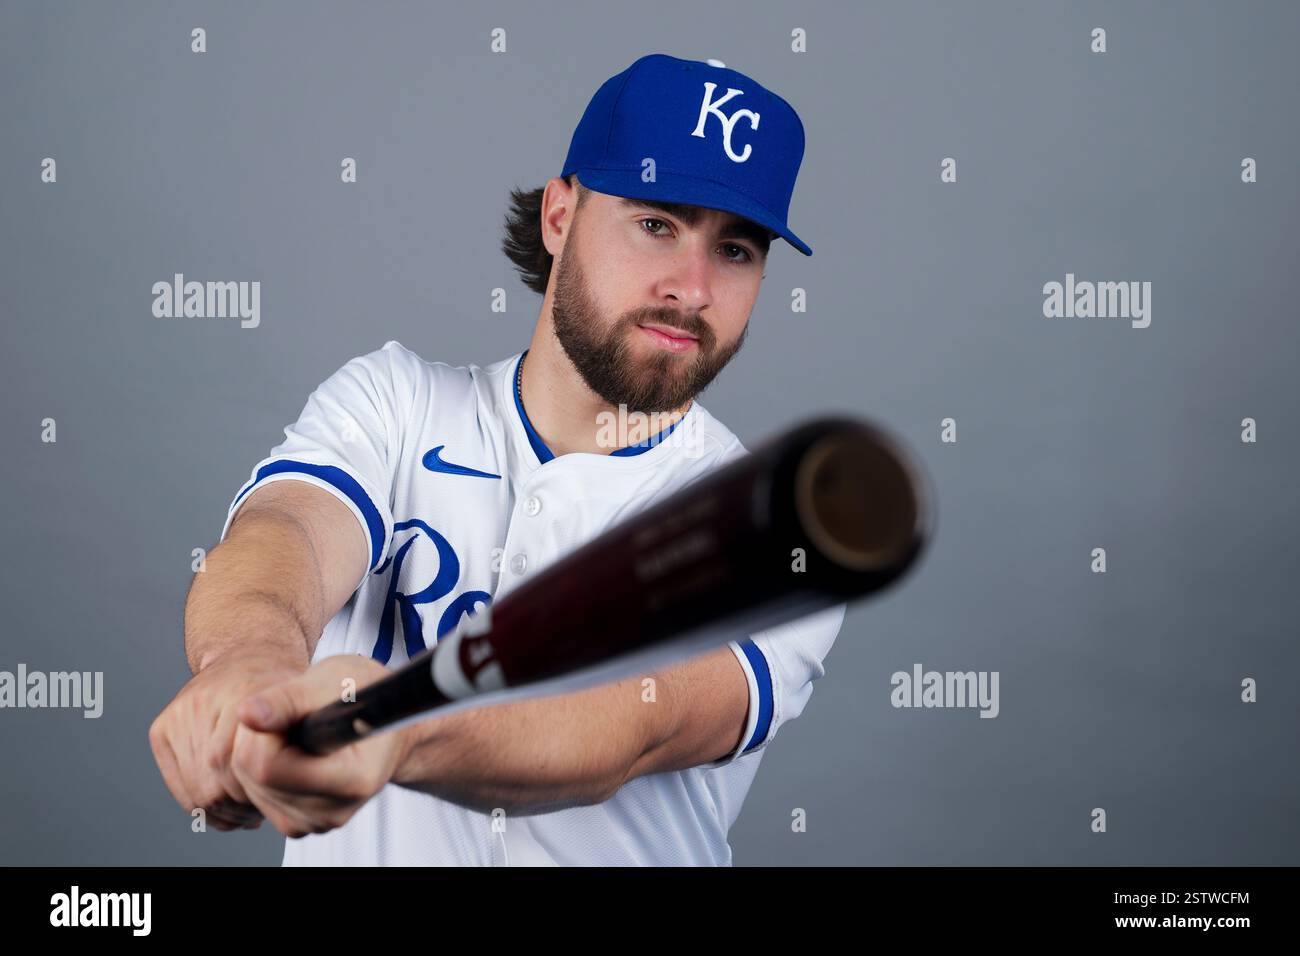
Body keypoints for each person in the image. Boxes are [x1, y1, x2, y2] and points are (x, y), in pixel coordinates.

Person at [149, 52, 845, 865]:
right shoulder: (394, 404)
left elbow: (628, 732)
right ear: (560, 215)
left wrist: (391, 730)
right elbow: (285, 540)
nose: (692, 288)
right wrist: (247, 671)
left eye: (735, 249)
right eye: (656, 224)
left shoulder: (773, 520)